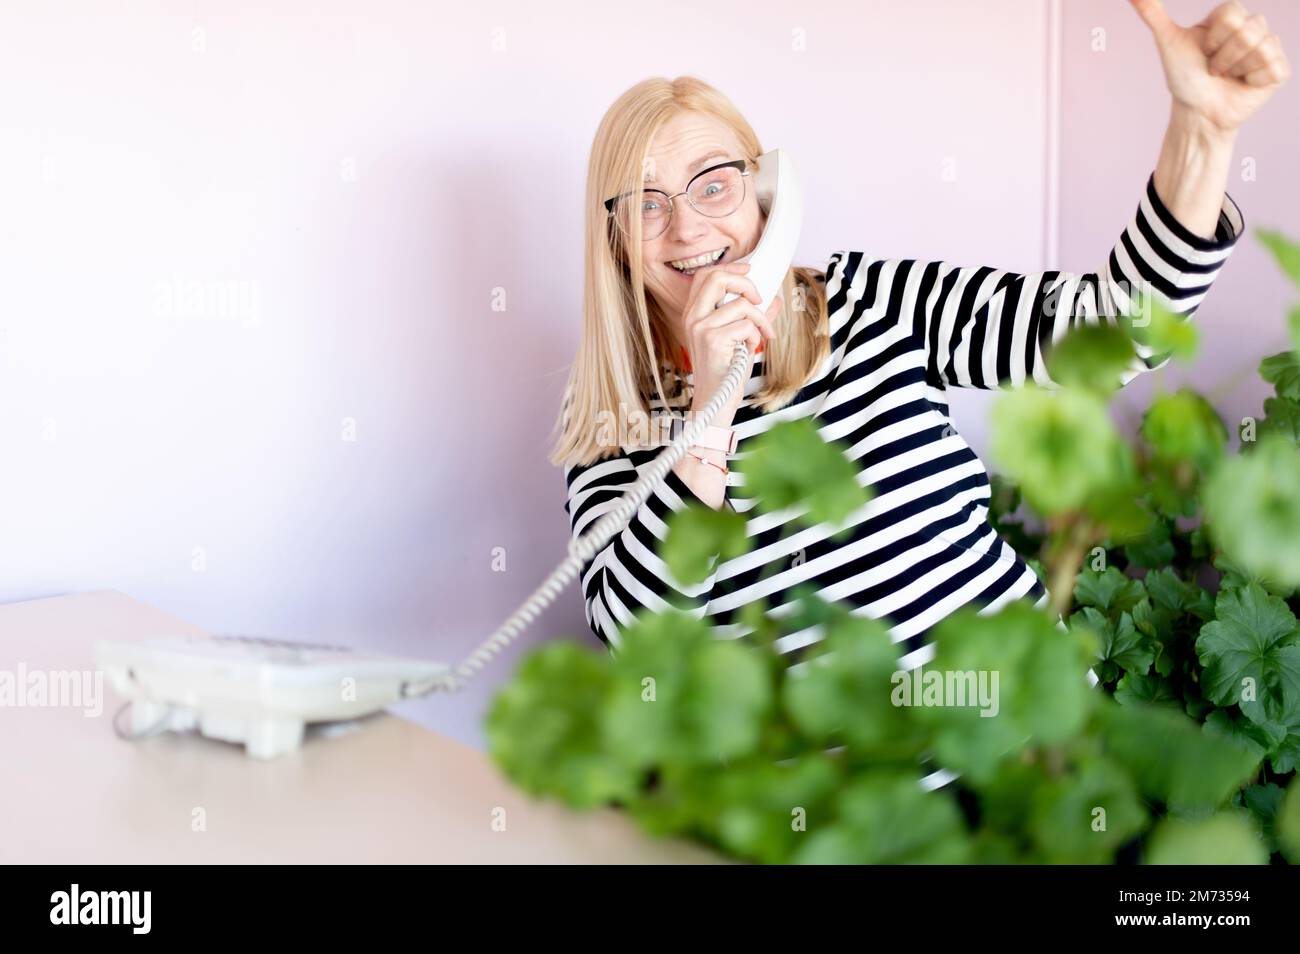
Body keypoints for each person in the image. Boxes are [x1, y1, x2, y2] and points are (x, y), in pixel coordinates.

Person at [551, 1, 1288, 674]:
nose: (687, 227)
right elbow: (640, 638)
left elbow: (1109, 336)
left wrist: (1202, 132)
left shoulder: (872, 299)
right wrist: (709, 416)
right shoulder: (607, 414)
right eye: (647, 203)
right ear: (614, 237)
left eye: (714, 184)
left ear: (766, 193)